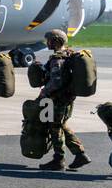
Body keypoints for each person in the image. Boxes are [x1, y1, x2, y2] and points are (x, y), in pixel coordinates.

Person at [38, 29, 90, 171]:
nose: (47, 42)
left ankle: (59, 160)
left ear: (55, 41)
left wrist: (44, 92)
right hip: (66, 98)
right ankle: (80, 154)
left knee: (54, 127)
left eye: (49, 40)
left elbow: (56, 81)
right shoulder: (68, 54)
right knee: (61, 125)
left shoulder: (57, 58)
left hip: (58, 99)